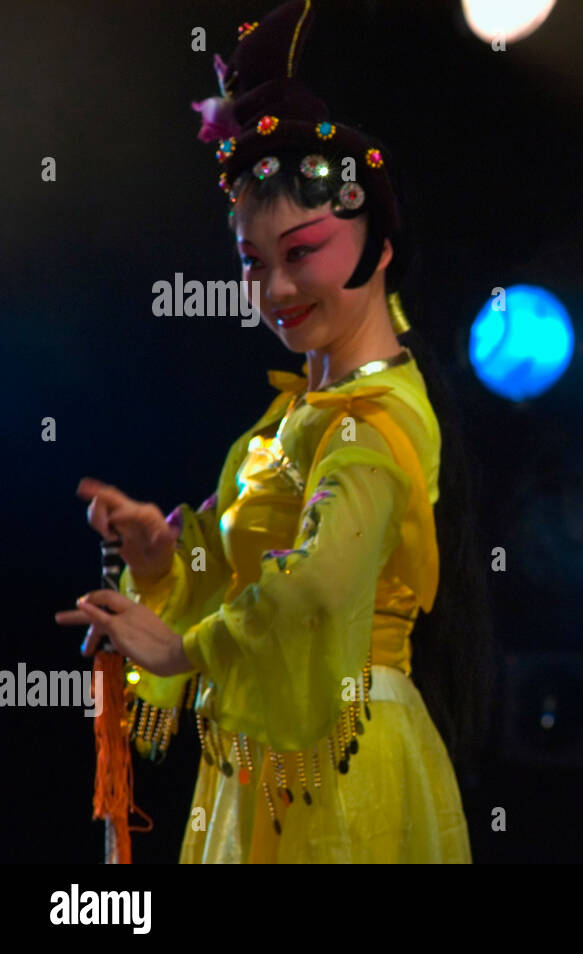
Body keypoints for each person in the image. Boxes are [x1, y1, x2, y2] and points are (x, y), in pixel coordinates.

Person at [55, 0, 491, 863]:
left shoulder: (376, 417)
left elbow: (319, 587)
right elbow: (248, 573)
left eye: (304, 252)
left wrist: (187, 647)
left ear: (379, 241)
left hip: (344, 760)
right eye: (256, 263)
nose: (278, 289)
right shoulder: (297, 413)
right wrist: (161, 563)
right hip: (278, 759)